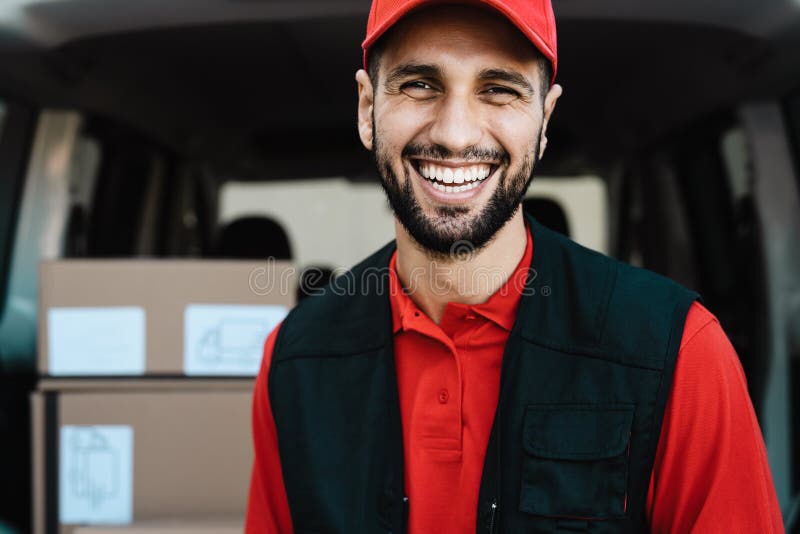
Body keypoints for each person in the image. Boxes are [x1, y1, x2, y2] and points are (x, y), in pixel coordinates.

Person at [246, 0, 784, 532]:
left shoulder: (679, 352)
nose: (456, 134)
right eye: (420, 85)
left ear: (544, 120)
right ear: (367, 109)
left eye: (498, 89)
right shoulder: (295, 360)